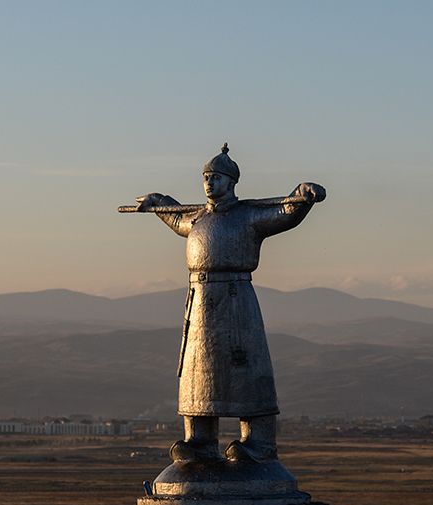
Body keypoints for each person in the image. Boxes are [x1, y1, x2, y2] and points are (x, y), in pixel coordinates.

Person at [135, 144, 325, 464]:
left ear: (231, 182)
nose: (209, 183)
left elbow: (283, 213)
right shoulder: (196, 218)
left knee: (246, 369)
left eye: (216, 177)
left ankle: (259, 443)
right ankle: (199, 440)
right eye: (206, 177)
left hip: (236, 301)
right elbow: (175, 218)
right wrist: (161, 202)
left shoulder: (249, 215)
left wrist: (301, 196)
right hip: (199, 304)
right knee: (198, 370)